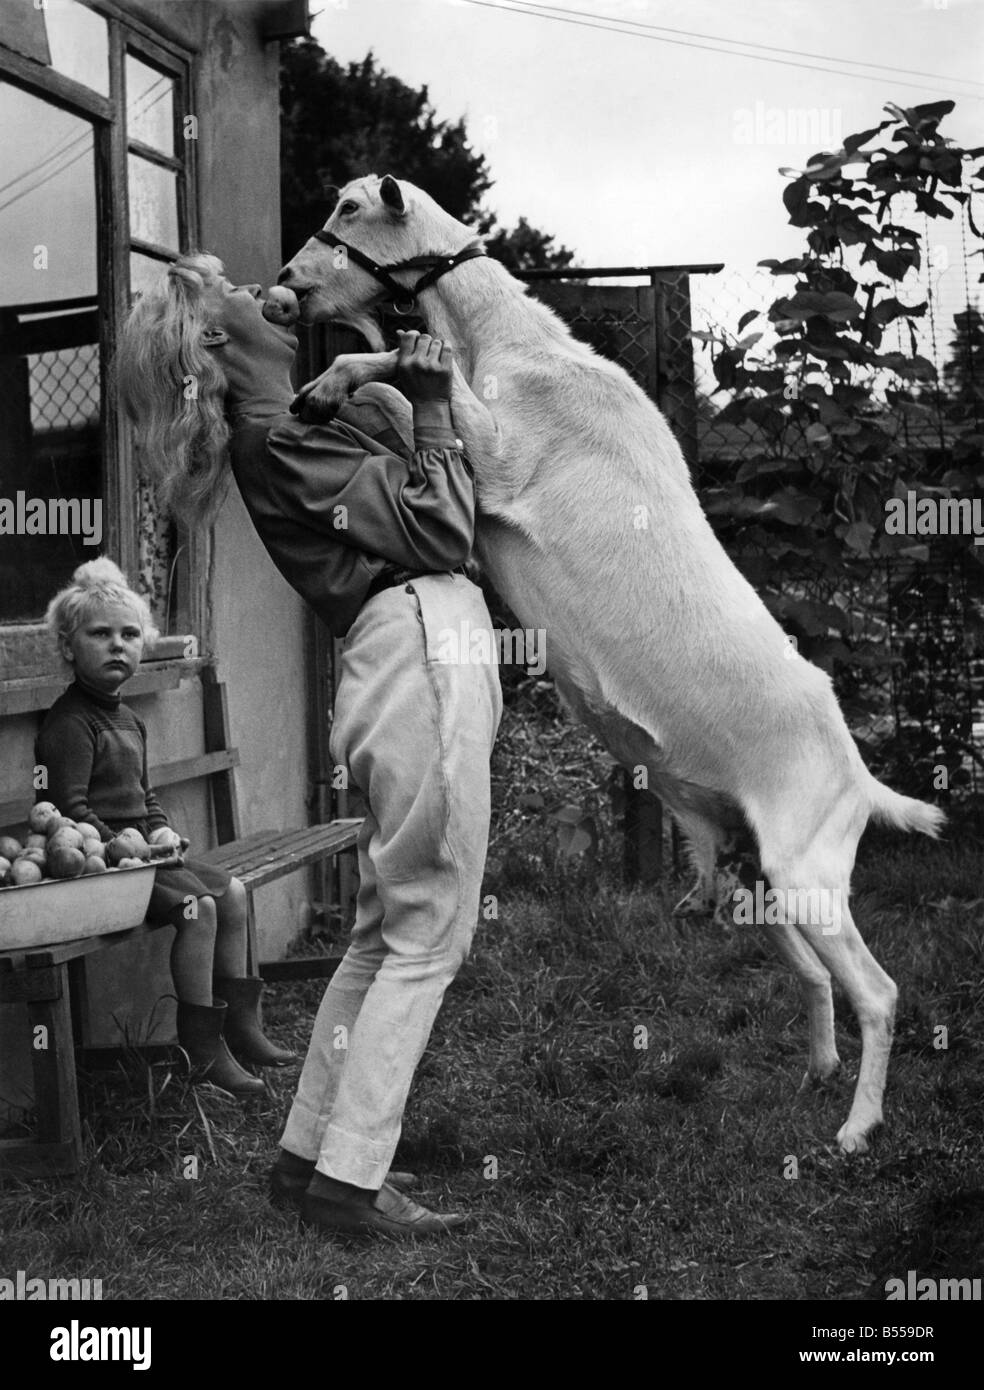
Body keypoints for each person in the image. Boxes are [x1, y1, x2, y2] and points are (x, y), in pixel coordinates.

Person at [117, 252, 502, 1237]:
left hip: (406, 649)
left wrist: (394, 384)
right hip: (423, 644)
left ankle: (308, 1159)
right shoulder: (280, 439)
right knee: (429, 932)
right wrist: (425, 408)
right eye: (234, 297)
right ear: (213, 344)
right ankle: (352, 1184)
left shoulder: (292, 424)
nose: (262, 291)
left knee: (388, 929)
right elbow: (446, 533)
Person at [38, 558, 296, 1098]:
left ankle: (239, 1025)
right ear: (68, 647)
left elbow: (145, 796)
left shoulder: (127, 719)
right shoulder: (70, 723)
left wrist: (161, 832)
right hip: (104, 867)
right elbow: (69, 813)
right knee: (196, 909)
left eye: (129, 634)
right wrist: (127, 844)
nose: (117, 645)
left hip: (147, 859)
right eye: (99, 634)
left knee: (235, 892)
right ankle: (201, 1049)